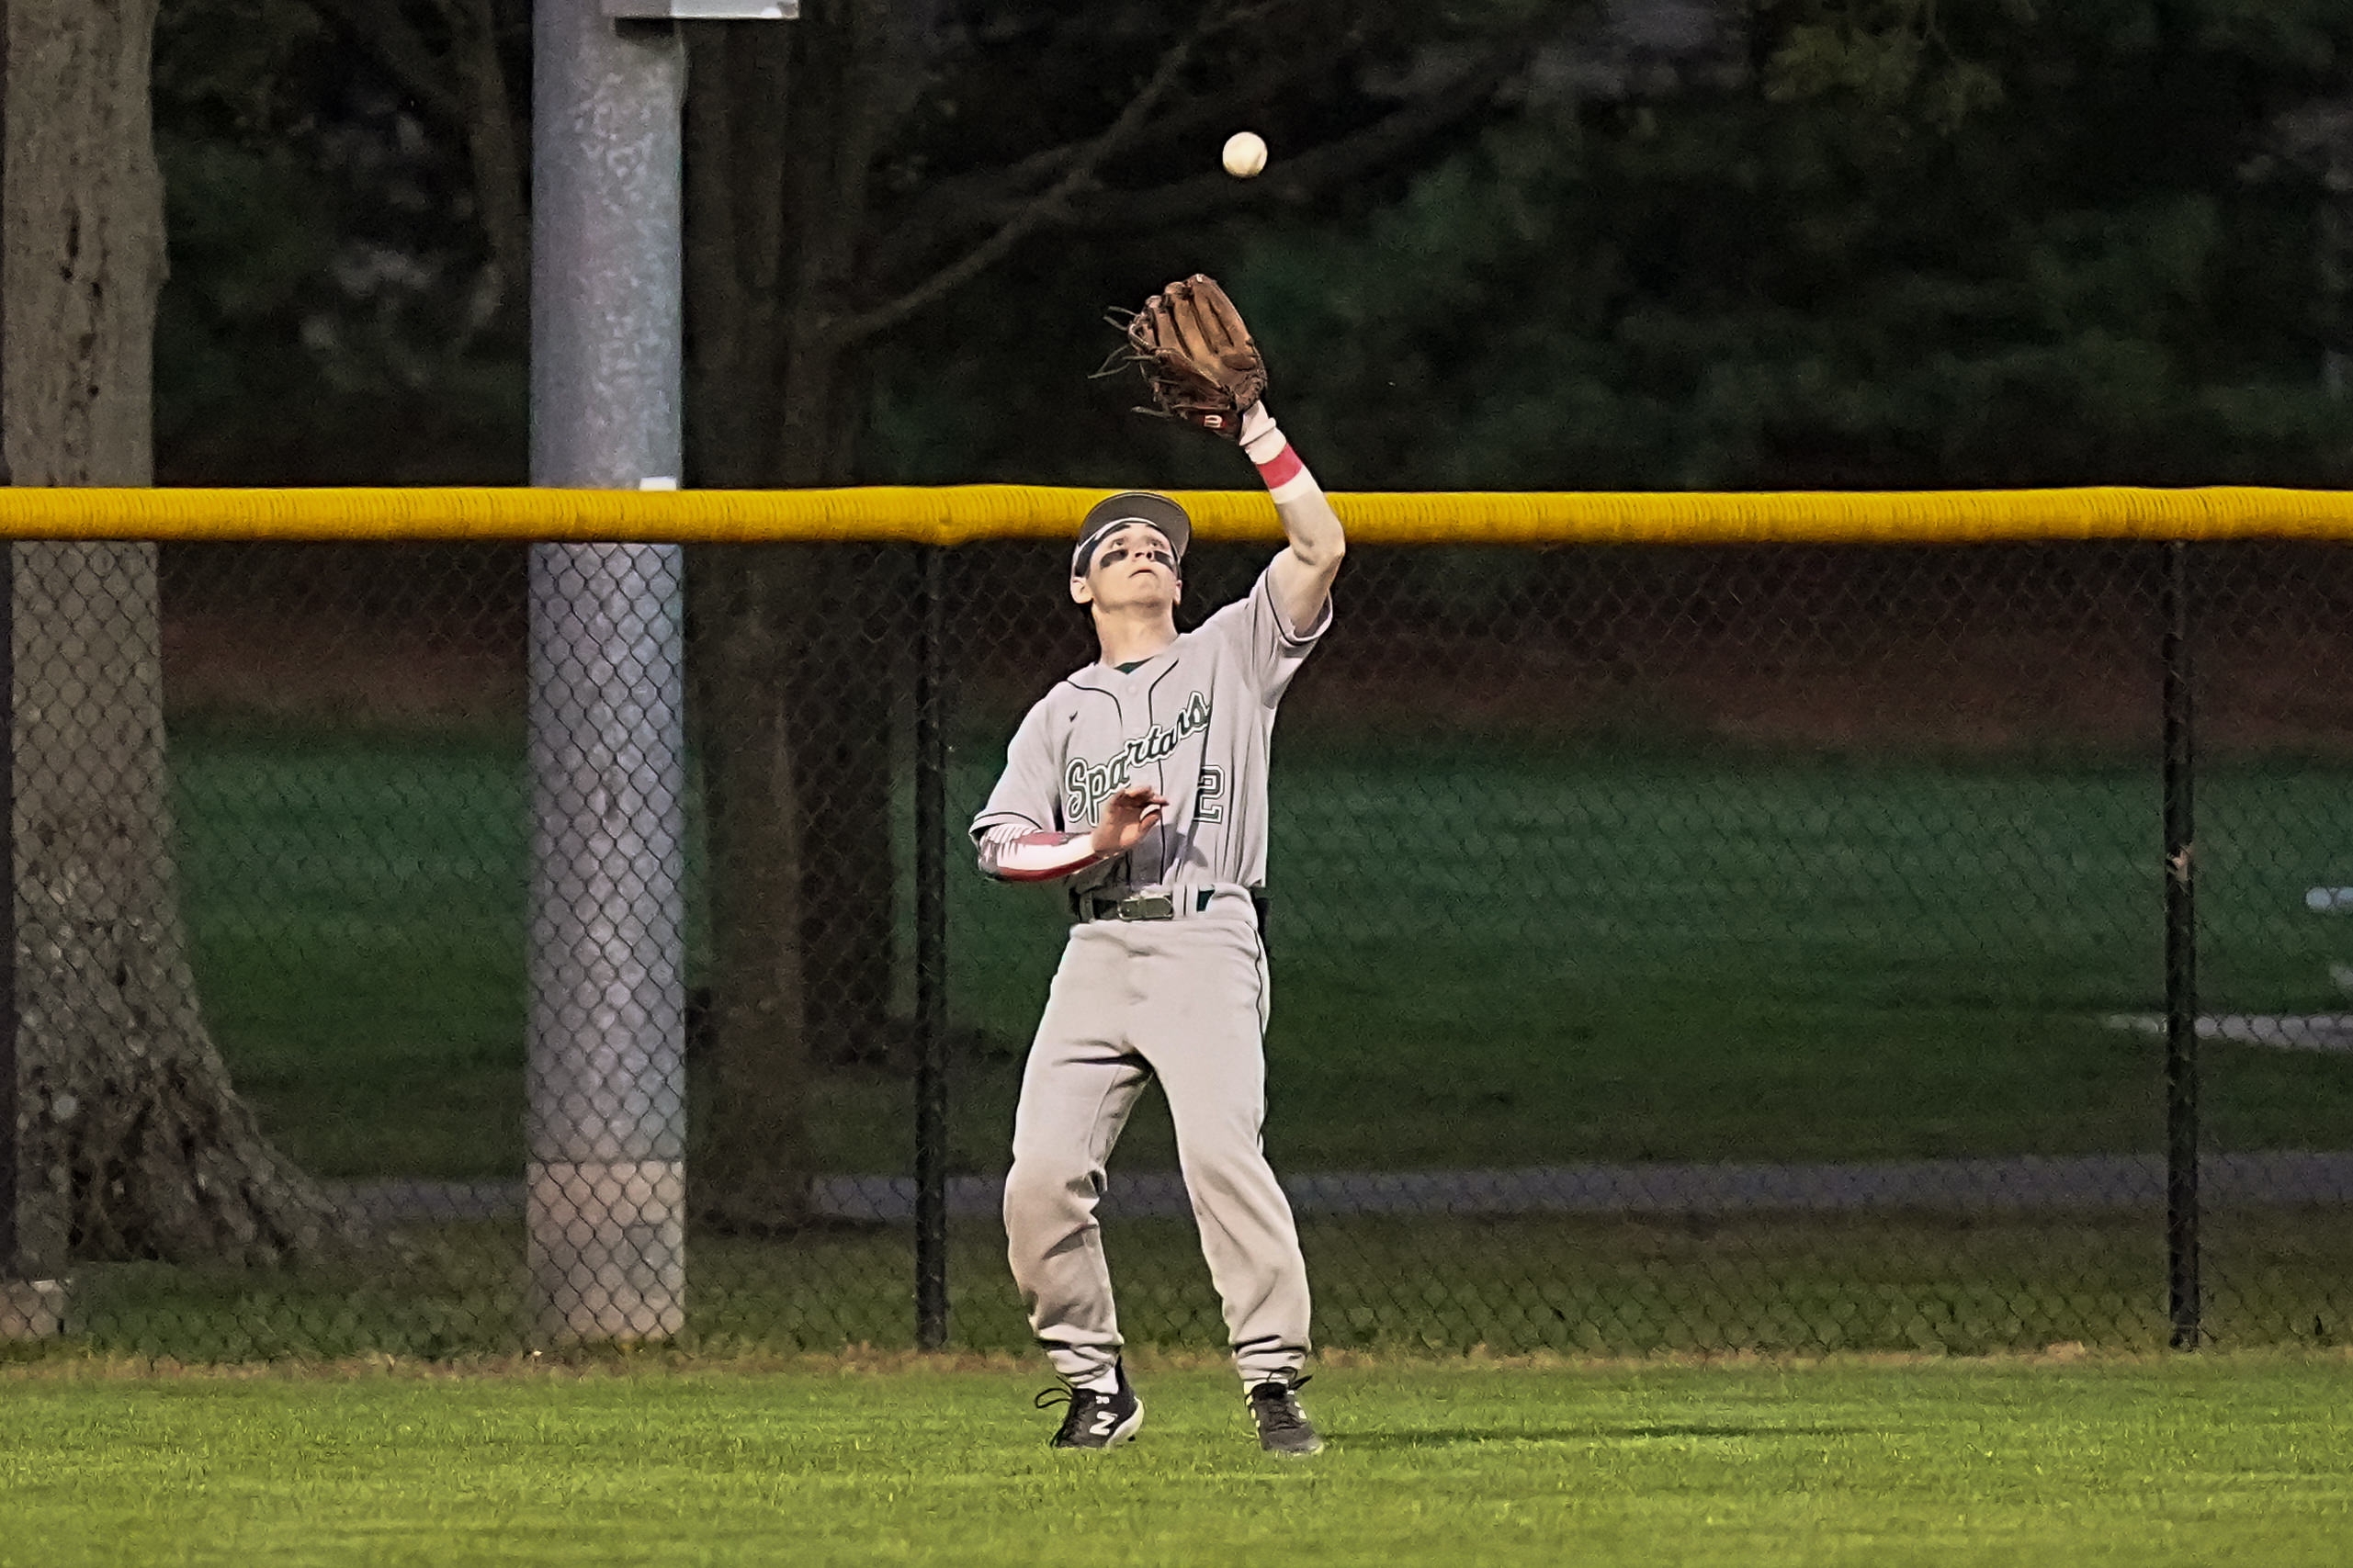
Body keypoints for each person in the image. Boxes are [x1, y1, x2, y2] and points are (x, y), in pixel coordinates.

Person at [970, 388, 1344, 1456]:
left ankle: (1272, 1384)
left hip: (1204, 935)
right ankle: (1096, 1385)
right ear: (1079, 581)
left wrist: (1257, 428)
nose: (1140, 553)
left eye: (1158, 547)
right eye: (1116, 544)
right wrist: (1093, 840)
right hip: (1095, 948)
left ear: (1179, 581)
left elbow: (1319, 543)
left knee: (1222, 1157)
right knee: (1039, 1179)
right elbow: (999, 843)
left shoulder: (1233, 654)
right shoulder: (1058, 712)